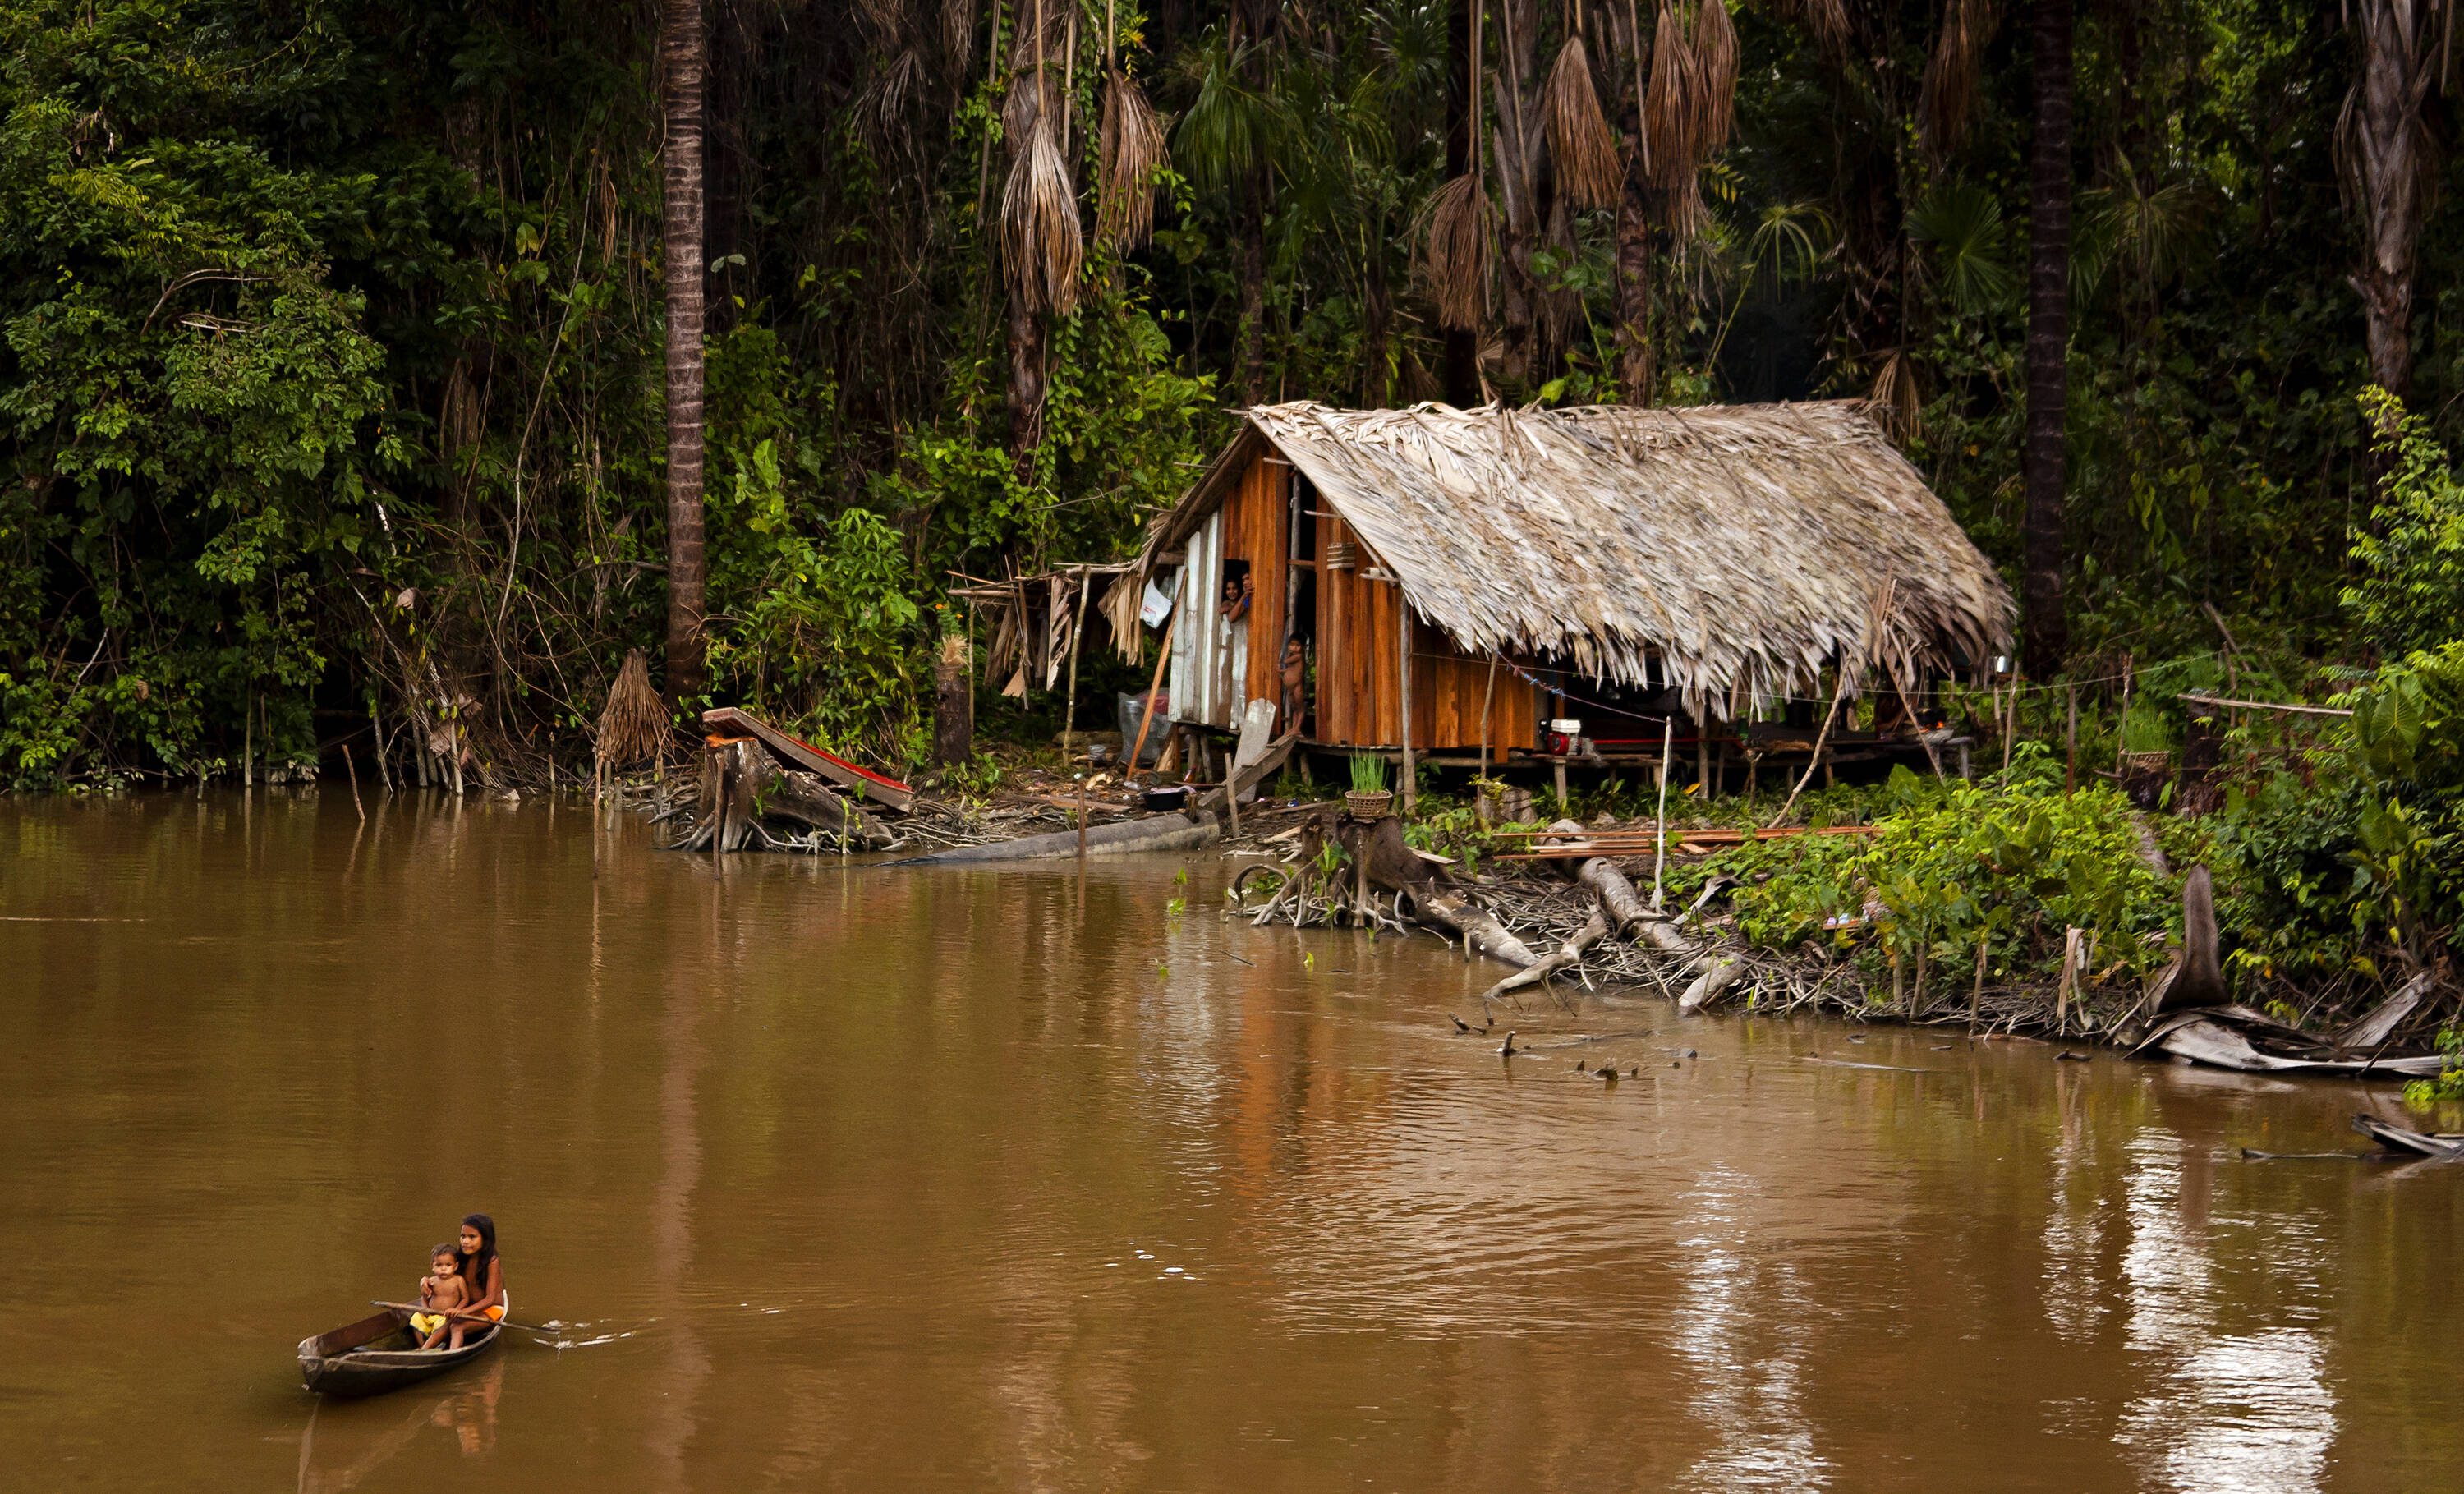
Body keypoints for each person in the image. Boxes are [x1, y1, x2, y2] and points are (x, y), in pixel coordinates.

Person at [446, 1214, 508, 1350]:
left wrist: (463, 1312)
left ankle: (451, 1354)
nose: (465, 1241)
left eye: (472, 1237)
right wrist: (425, 1282)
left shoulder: (491, 1261)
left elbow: (490, 1299)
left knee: (456, 1326)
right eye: (463, 1236)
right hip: (468, 1305)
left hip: (490, 1310)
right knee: (445, 1323)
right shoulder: (460, 1257)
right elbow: (443, 1275)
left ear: (485, 1239)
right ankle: (423, 1350)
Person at [411, 1244, 467, 1349]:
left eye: (448, 1265)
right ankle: (421, 1345)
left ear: (456, 1266)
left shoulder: (458, 1280)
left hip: (445, 1317)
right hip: (431, 1315)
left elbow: (465, 1298)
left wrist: (457, 1310)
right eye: (439, 1265)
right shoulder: (431, 1281)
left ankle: (436, 1345)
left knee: (441, 1326)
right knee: (415, 1318)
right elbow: (424, 1298)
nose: (443, 1269)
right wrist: (425, 1308)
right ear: (432, 1266)